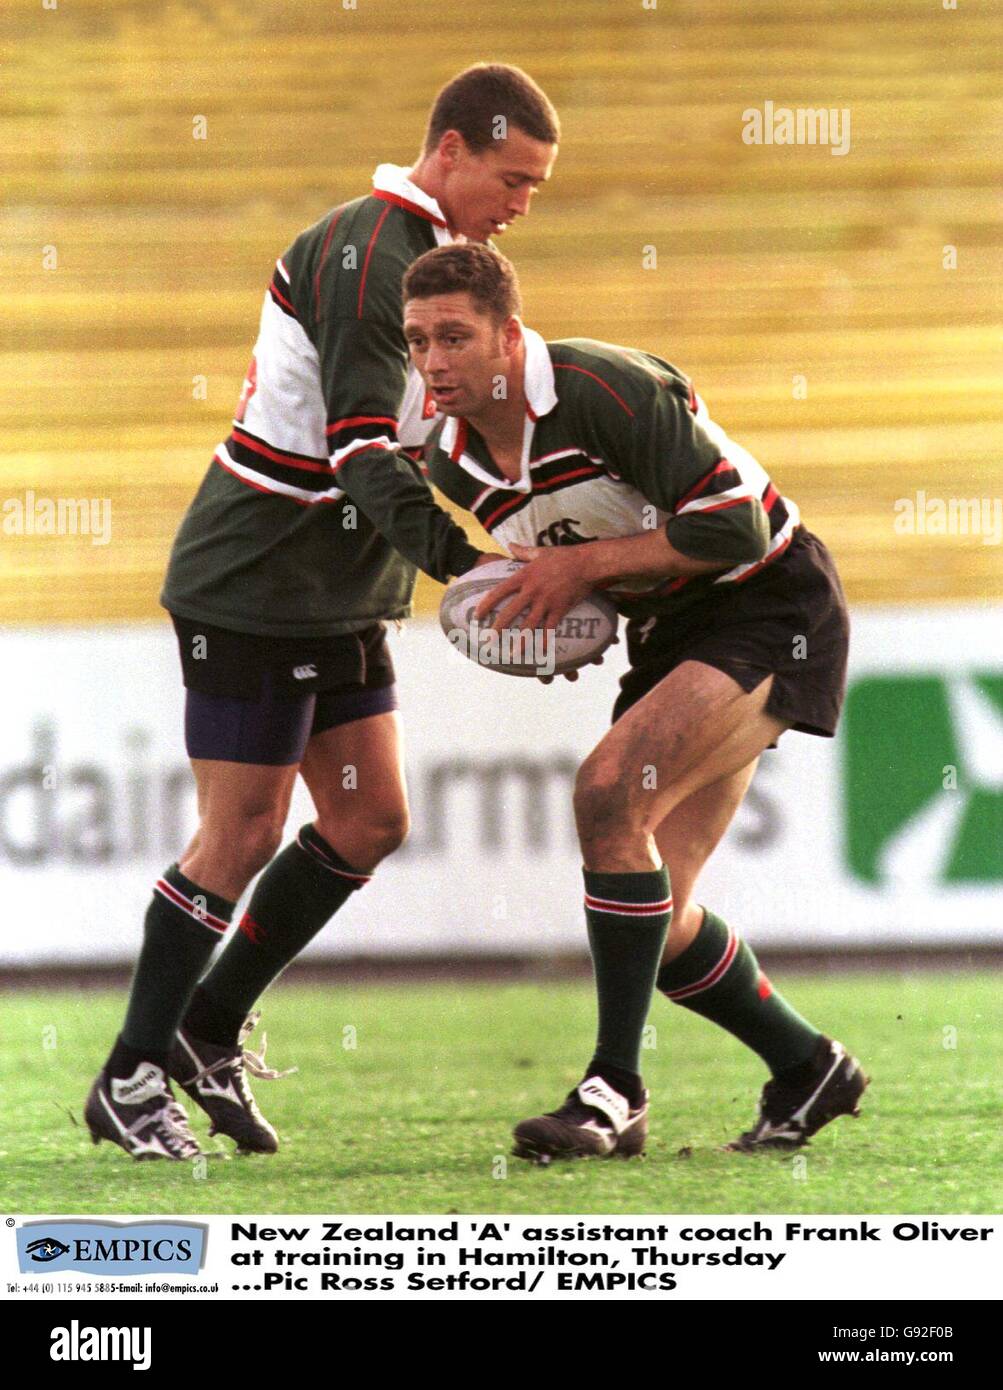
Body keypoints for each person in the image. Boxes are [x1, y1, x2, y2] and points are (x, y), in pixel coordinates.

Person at [84, 66, 559, 1160]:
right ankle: (131, 1072)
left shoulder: (430, 264)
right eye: (514, 177)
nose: (525, 202)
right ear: (450, 149)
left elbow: (428, 435)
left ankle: (203, 1028)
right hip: (256, 581)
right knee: (239, 833)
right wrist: (471, 567)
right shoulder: (370, 256)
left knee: (366, 820)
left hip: (333, 589)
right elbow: (359, 452)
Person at [403, 242, 868, 1161]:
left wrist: (580, 568)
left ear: (509, 336)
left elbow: (735, 523)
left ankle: (612, 1090)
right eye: (417, 342)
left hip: (770, 600)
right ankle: (807, 1063)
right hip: (669, 629)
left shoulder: (600, 389)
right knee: (662, 917)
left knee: (607, 794)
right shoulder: (448, 458)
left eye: (455, 336)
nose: (434, 362)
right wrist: (567, 613)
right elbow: (591, 556)